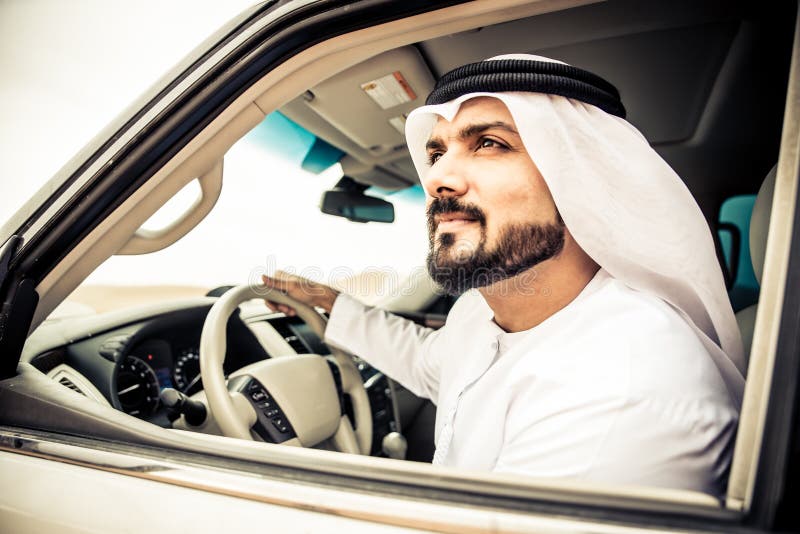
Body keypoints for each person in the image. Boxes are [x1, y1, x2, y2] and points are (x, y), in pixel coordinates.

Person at [261, 54, 745, 497]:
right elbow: (432, 363)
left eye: (489, 144)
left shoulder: (623, 388)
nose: (435, 179)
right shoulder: (482, 309)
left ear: (575, 178)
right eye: (436, 153)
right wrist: (330, 302)